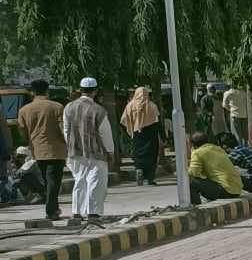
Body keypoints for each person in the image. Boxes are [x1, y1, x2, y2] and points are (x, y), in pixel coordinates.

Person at [61, 78, 115, 226]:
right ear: (95, 91)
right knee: (95, 182)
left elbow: (66, 130)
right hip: (96, 152)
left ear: (80, 90)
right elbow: (105, 133)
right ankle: (93, 213)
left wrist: (71, 146)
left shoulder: (68, 108)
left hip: (75, 152)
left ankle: (77, 212)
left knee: (80, 180)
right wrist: (110, 151)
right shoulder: (99, 110)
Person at [17, 79, 65, 223]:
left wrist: (30, 140)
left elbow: (22, 130)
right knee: (53, 181)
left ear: (32, 92)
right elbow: (63, 129)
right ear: (47, 90)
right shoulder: (57, 107)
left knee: (47, 178)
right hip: (56, 150)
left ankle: (53, 209)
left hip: (37, 150)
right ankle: (51, 211)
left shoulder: (24, 110)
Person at [121, 86, 163, 187]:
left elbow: (124, 121)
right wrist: (162, 137)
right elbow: (157, 122)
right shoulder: (152, 106)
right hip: (151, 135)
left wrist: (130, 130)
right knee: (151, 155)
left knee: (138, 154)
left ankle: (139, 169)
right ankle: (149, 179)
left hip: (137, 135)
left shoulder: (130, 105)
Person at [187, 131, 243, 203]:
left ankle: (197, 207)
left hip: (225, 191)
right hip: (237, 190)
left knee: (190, 182)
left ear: (193, 145)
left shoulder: (197, 152)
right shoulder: (218, 148)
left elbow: (193, 173)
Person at [223, 81, 252, 149]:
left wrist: (231, 109)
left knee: (237, 134)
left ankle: (239, 149)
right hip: (244, 115)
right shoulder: (243, 92)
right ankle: (246, 147)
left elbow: (224, 105)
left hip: (234, 115)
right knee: (245, 134)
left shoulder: (227, 93)